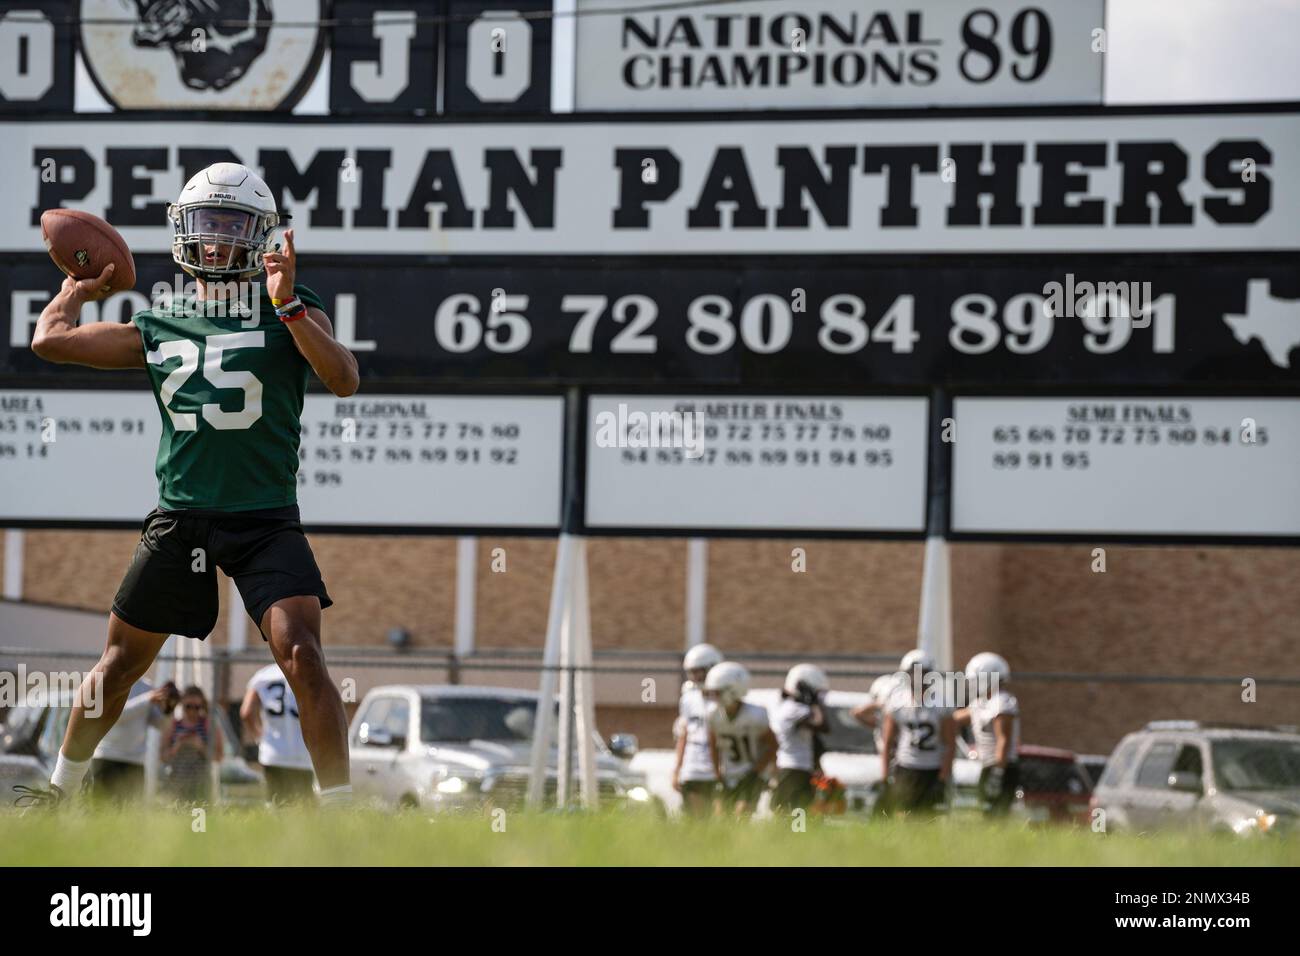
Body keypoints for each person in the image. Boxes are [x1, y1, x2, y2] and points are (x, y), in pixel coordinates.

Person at [17, 162, 358, 810]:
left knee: (302, 655)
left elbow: (343, 378)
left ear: (262, 237)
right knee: (117, 667)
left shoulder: (291, 303)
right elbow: (49, 340)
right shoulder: (162, 320)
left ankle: (340, 813)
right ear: (184, 232)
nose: (216, 240)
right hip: (180, 517)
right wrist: (80, 287)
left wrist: (287, 305)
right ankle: (58, 794)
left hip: (264, 518)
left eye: (233, 225)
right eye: (206, 224)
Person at [880, 650, 955, 817]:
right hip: (906, 767)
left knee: (929, 820)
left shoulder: (942, 704)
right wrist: (885, 777)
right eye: (912, 674)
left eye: (922, 674)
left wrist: (942, 778)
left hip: (932, 769)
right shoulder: (897, 702)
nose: (917, 679)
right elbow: (887, 742)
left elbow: (950, 744)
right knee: (902, 817)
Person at [87, 679, 179, 803]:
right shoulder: (110, 680)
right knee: (100, 809)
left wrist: (169, 708)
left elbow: (160, 725)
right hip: (107, 758)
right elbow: (115, 715)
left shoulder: (148, 687)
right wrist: (147, 699)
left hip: (135, 762)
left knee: (130, 815)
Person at [704, 662, 775, 817]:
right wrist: (717, 774)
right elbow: (713, 746)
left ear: (733, 690)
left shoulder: (755, 715)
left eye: (718, 692)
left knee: (740, 816)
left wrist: (757, 771)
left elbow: (773, 745)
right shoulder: (713, 715)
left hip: (751, 773)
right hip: (728, 774)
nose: (714, 697)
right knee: (720, 818)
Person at [954, 652, 1020, 817]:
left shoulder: (1001, 702)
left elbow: (1003, 739)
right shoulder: (982, 703)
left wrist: (998, 773)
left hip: (1001, 767)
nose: (972, 684)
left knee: (996, 816)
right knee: (985, 814)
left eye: (975, 679)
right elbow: (954, 719)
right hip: (988, 765)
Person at [241, 662, 315, 803]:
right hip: (302, 753)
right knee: (304, 809)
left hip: (273, 752)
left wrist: (259, 737)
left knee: (275, 805)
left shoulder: (263, 676)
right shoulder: (307, 673)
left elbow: (246, 712)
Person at [769, 663, 829, 813]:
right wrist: (813, 702)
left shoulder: (784, 706)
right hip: (795, 766)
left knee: (789, 808)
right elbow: (822, 725)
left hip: (790, 765)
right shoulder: (796, 709)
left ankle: (790, 834)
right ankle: (794, 833)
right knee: (795, 808)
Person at [672, 643, 723, 817]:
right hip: (692, 767)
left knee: (721, 820)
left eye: (699, 671)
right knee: (695, 822)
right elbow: (684, 735)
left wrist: (720, 769)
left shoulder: (725, 698)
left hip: (717, 768)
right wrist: (677, 769)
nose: (695, 677)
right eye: (692, 672)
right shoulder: (688, 698)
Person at [851, 669, 908, 817]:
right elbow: (857, 713)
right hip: (889, 770)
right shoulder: (882, 722)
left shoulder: (903, 720)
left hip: (900, 770)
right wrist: (882, 703)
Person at [161, 686, 222, 803]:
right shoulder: (173, 725)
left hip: (201, 784)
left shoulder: (209, 725)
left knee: (199, 820)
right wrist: (176, 747)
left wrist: (200, 746)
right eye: (188, 706)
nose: (192, 711)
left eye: (197, 707)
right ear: (182, 704)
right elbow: (163, 757)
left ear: (202, 706)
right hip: (176, 782)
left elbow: (219, 757)